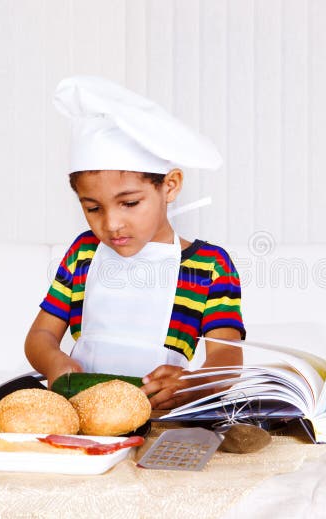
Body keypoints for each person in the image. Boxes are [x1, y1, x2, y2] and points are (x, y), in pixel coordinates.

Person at [25, 76, 245, 410]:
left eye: (129, 203)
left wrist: (192, 384)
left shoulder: (210, 266)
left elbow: (226, 358)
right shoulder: (83, 253)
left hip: (160, 416)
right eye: (93, 208)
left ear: (170, 186)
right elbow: (40, 336)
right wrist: (54, 362)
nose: (111, 224)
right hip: (82, 411)